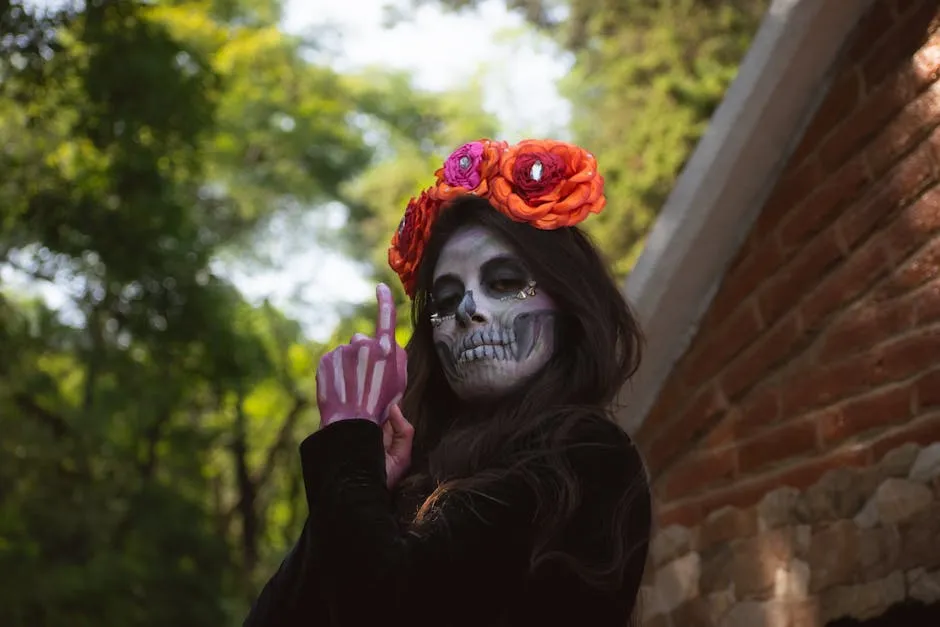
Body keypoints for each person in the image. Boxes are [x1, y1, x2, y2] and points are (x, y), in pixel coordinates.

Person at [244, 138, 652, 627]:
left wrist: (346, 443)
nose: (466, 310)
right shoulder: (422, 470)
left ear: (568, 305)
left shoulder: (587, 455)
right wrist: (364, 482)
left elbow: (393, 608)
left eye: (503, 283)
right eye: (446, 297)